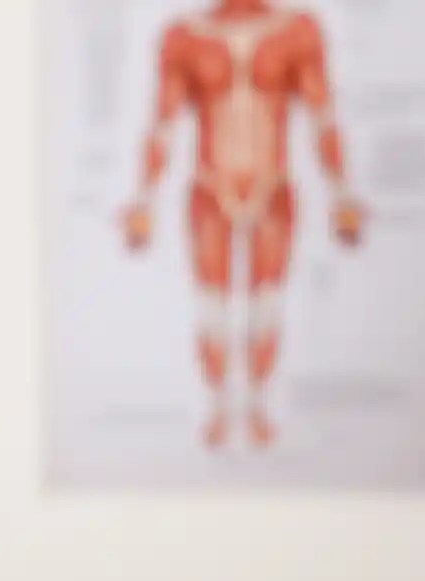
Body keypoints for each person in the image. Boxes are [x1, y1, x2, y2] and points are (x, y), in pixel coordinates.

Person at [122, 0, 362, 448]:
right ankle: (217, 405)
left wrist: (341, 194)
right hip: (210, 188)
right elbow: (163, 122)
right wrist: (143, 200)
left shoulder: (297, 30)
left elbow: (321, 114)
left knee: (265, 301)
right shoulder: (184, 35)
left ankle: (256, 405)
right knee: (213, 305)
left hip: (272, 187)